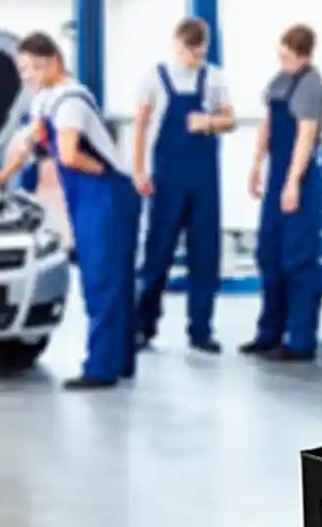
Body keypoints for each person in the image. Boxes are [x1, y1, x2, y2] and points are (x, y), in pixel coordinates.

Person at [0, 32, 140, 390]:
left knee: (102, 280)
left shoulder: (71, 101)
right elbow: (26, 146)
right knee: (112, 277)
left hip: (107, 194)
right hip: (93, 194)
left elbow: (67, 155)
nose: (26, 75)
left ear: (54, 62)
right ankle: (121, 360)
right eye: (22, 68)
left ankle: (101, 369)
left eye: (32, 67)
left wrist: (107, 172)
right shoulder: (44, 100)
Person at [132, 17, 234, 354]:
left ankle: (201, 329)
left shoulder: (214, 77)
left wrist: (208, 121)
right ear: (177, 44)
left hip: (204, 180)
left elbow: (229, 119)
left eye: (201, 50)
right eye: (191, 51)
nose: (196, 57)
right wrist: (138, 170)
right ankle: (143, 325)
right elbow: (141, 126)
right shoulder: (154, 78)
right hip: (167, 177)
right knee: (157, 251)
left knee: (205, 253)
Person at [242, 24, 322, 362]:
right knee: (269, 254)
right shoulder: (279, 81)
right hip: (276, 176)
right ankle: (269, 333)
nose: (283, 61)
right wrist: (255, 165)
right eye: (280, 55)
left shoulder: (311, 86)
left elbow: (305, 137)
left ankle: (300, 340)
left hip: (300, 181)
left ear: (303, 55)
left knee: (298, 261)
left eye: (288, 56)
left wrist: (292, 182)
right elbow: (268, 125)